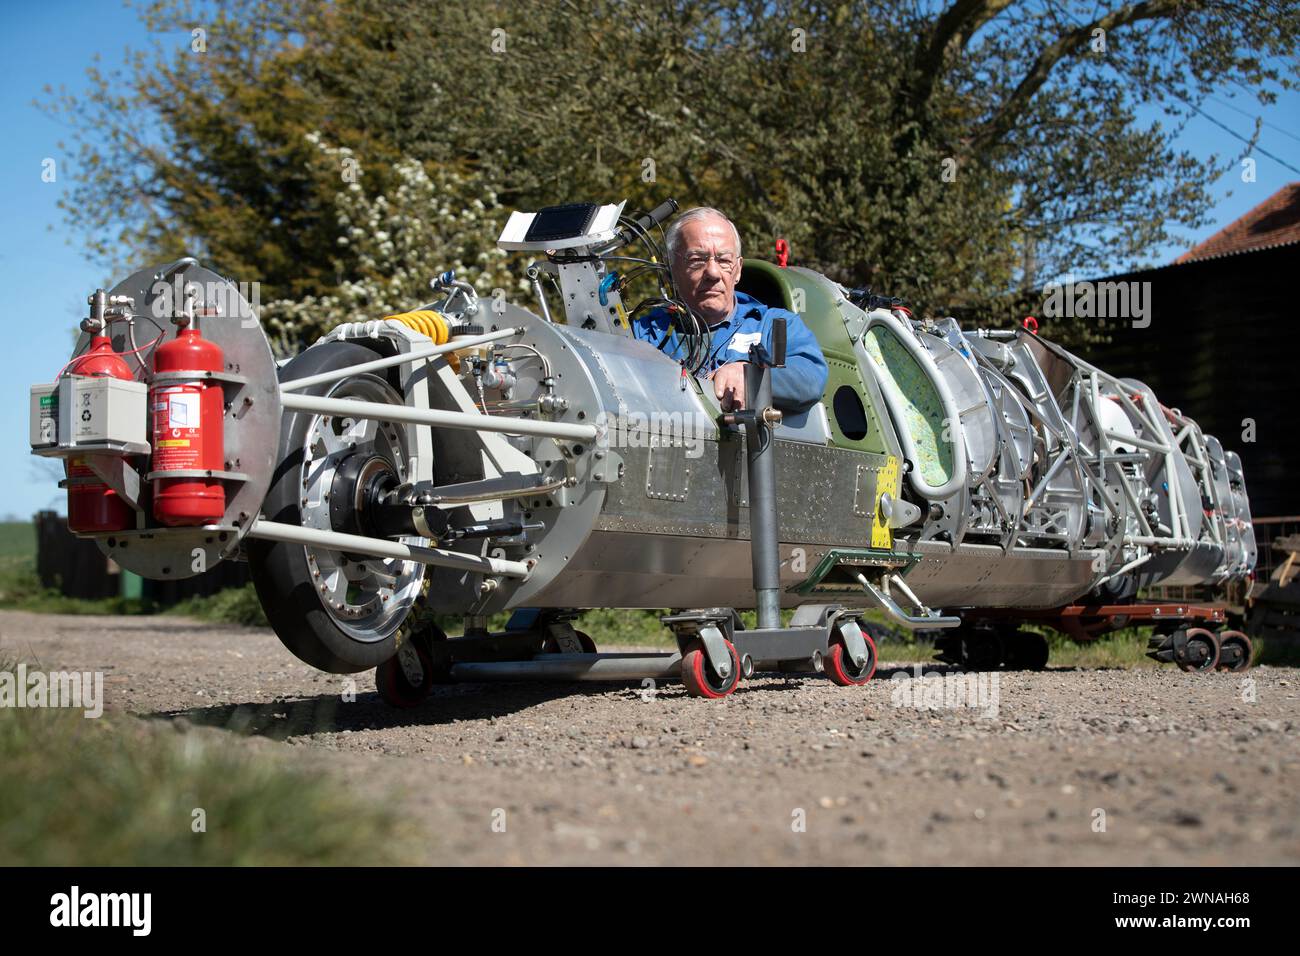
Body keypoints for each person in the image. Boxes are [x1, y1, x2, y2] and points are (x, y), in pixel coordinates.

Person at [631, 207, 828, 413]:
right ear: (670, 270)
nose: (713, 273)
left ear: (738, 270)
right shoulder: (643, 333)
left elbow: (811, 378)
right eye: (697, 259)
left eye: (724, 260)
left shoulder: (773, 324)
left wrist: (749, 376)